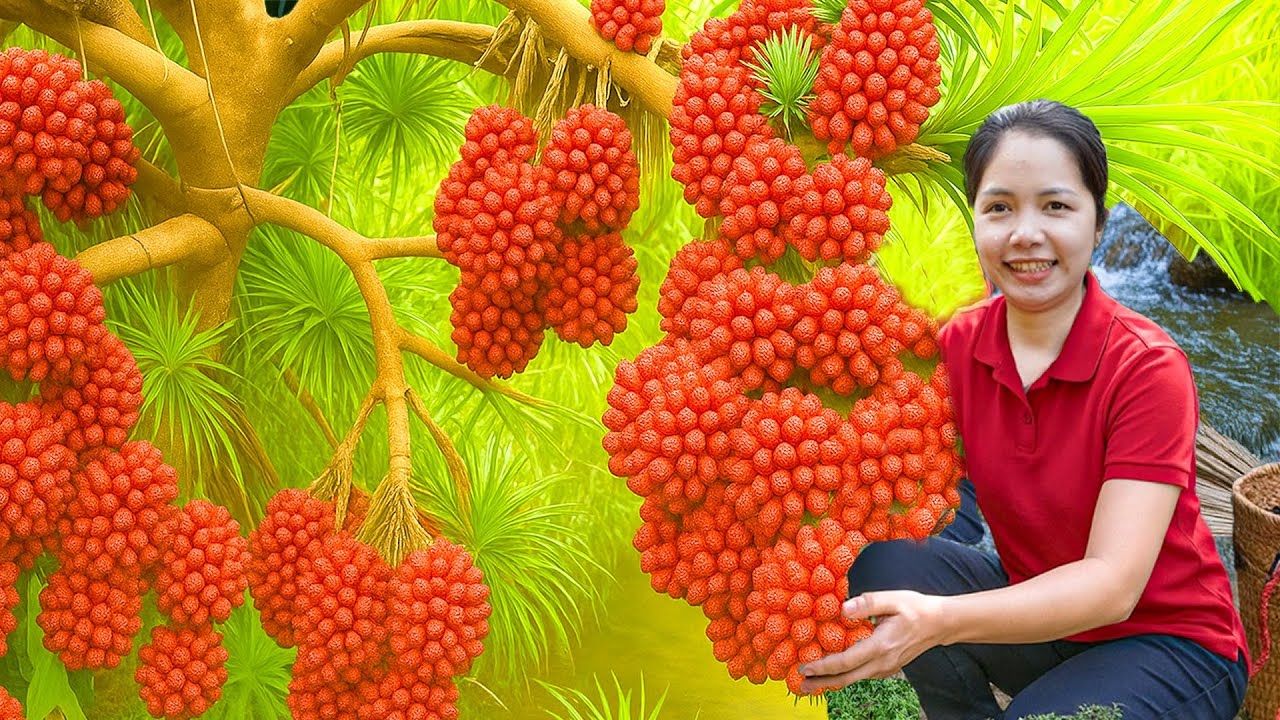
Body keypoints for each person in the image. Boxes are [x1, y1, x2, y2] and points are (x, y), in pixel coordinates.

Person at [795, 100, 1250, 719]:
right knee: (880, 566)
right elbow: (935, 499)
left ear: (1098, 224)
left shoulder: (1146, 367)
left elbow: (1113, 586)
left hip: (1168, 643)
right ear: (976, 220)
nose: (1025, 233)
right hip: (1038, 616)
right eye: (1000, 207)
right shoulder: (956, 348)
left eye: (1056, 206)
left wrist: (940, 619)